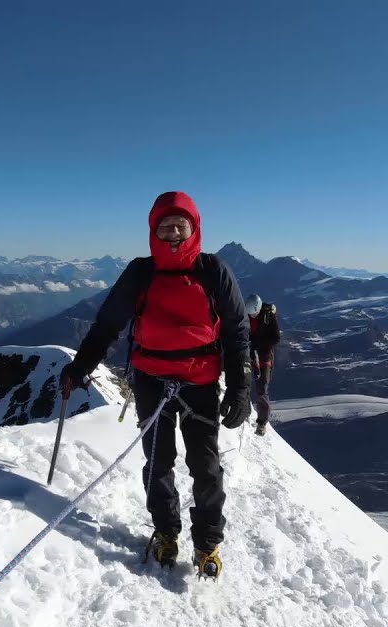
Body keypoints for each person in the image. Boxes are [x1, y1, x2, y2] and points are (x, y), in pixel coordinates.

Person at [58, 190, 251, 579]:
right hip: (151, 382)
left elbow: (236, 331)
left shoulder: (213, 270)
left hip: (199, 383)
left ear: (194, 228)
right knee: (158, 463)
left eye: (181, 225)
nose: (174, 232)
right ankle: (166, 532)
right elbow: (107, 325)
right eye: (165, 226)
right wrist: (80, 367)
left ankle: (207, 543)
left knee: (206, 466)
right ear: (153, 231)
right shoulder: (141, 272)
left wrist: (239, 387)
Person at [245, 294, 281, 436]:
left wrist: (258, 344)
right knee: (245, 382)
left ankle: (261, 423)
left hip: (264, 356)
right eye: (250, 314)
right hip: (251, 354)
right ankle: (244, 410)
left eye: (254, 314)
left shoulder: (268, 317)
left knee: (262, 388)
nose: (252, 316)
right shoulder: (247, 316)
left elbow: (276, 337)